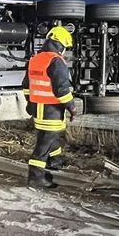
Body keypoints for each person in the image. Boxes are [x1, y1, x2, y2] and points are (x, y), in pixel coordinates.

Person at [23, 26, 80, 190]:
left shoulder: (35, 59)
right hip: (51, 109)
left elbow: (26, 85)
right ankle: (36, 177)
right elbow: (61, 89)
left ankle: (55, 161)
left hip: (38, 107)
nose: (65, 52)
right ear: (61, 44)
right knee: (44, 142)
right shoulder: (56, 61)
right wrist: (72, 108)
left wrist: (29, 102)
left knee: (51, 136)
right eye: (65, 48)